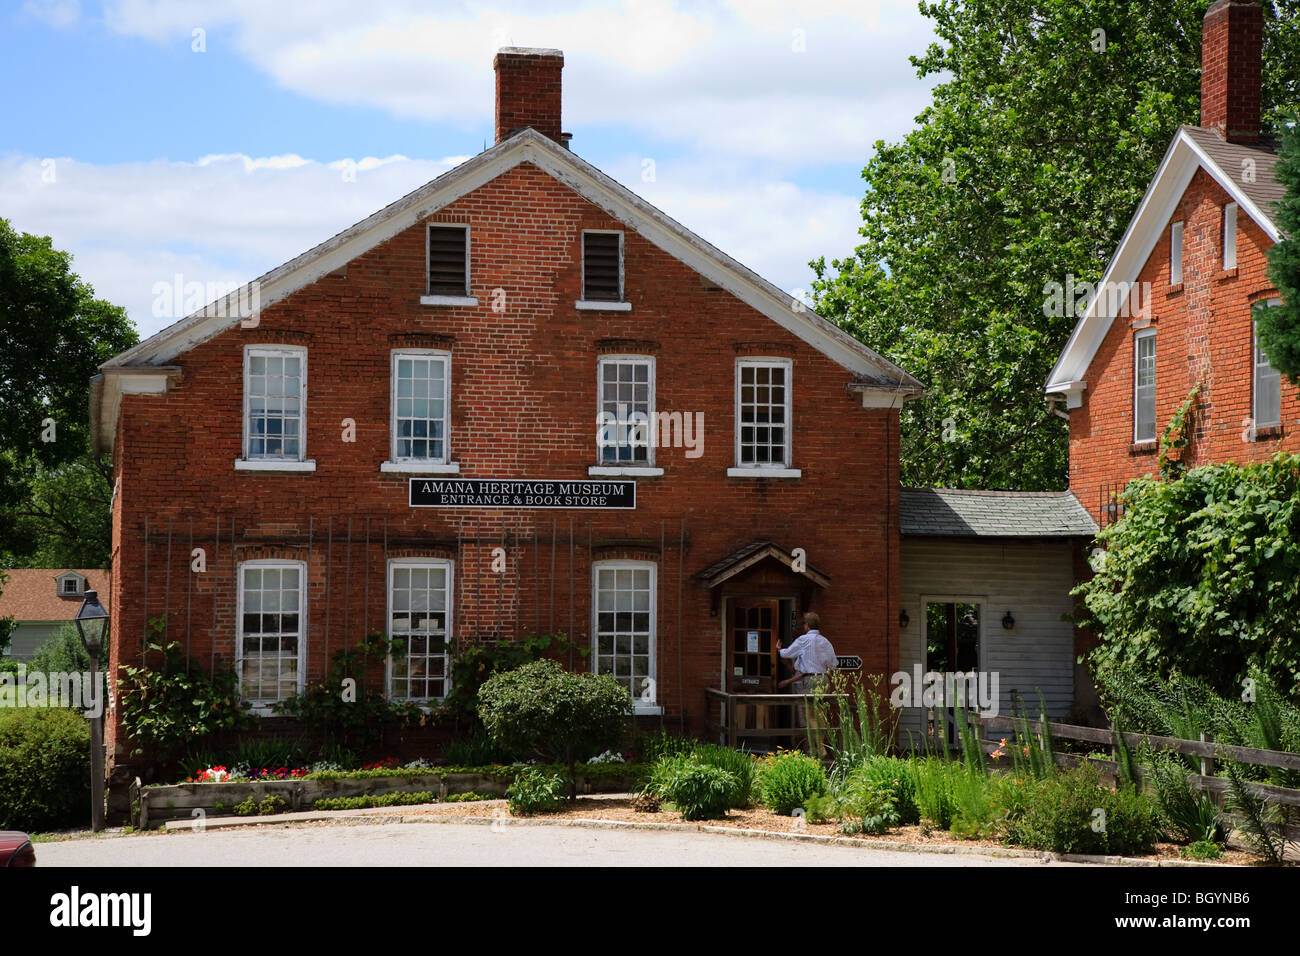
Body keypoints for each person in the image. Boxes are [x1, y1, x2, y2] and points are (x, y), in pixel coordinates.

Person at [776, 612, 838, 734]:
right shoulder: (825, 641)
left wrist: (778, 649)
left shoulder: (803, 640)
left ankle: (820, 747)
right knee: (820, 713)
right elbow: (834, 664)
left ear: (806, 626)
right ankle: (820, 745)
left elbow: (786, 653)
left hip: (809, 680)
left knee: (809, 714)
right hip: (823, 678)